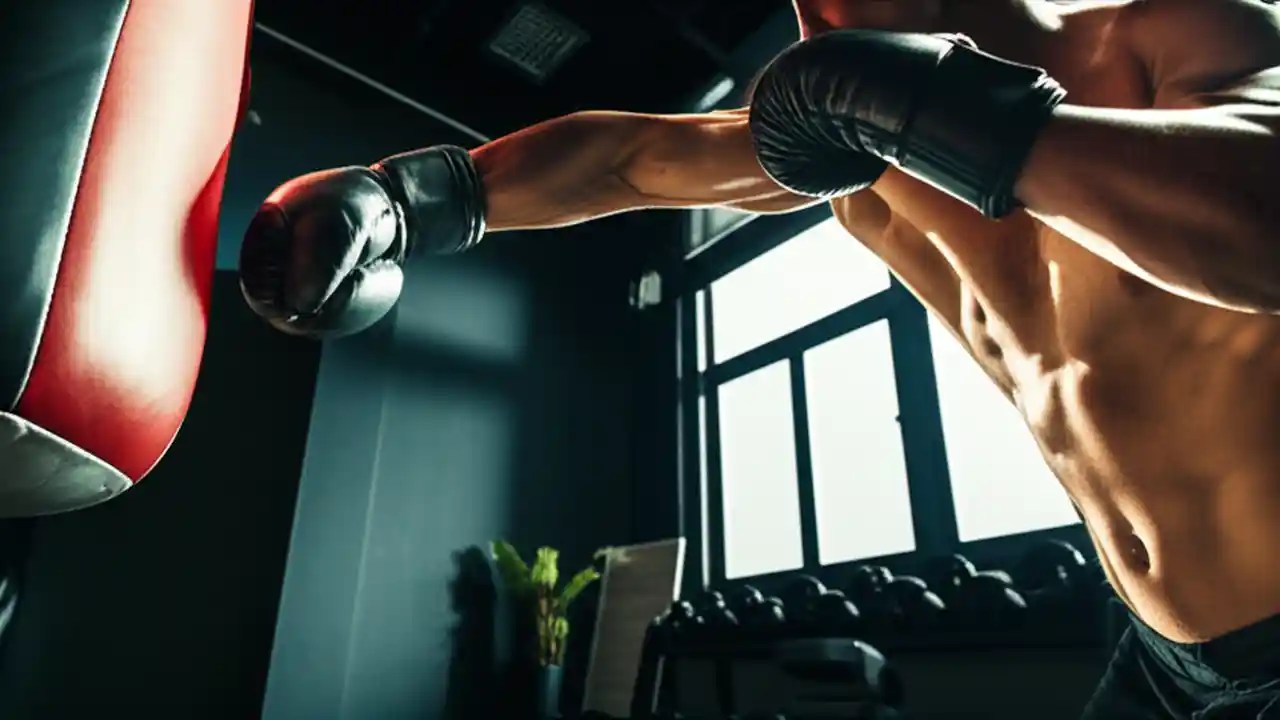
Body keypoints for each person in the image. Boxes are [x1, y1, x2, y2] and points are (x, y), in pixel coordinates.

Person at [238, 1, 1280, 716]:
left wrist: (940, 111)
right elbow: (632, 159)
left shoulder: (1163, 30)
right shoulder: (830, 129)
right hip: (1158, 654)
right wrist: (412, 197)